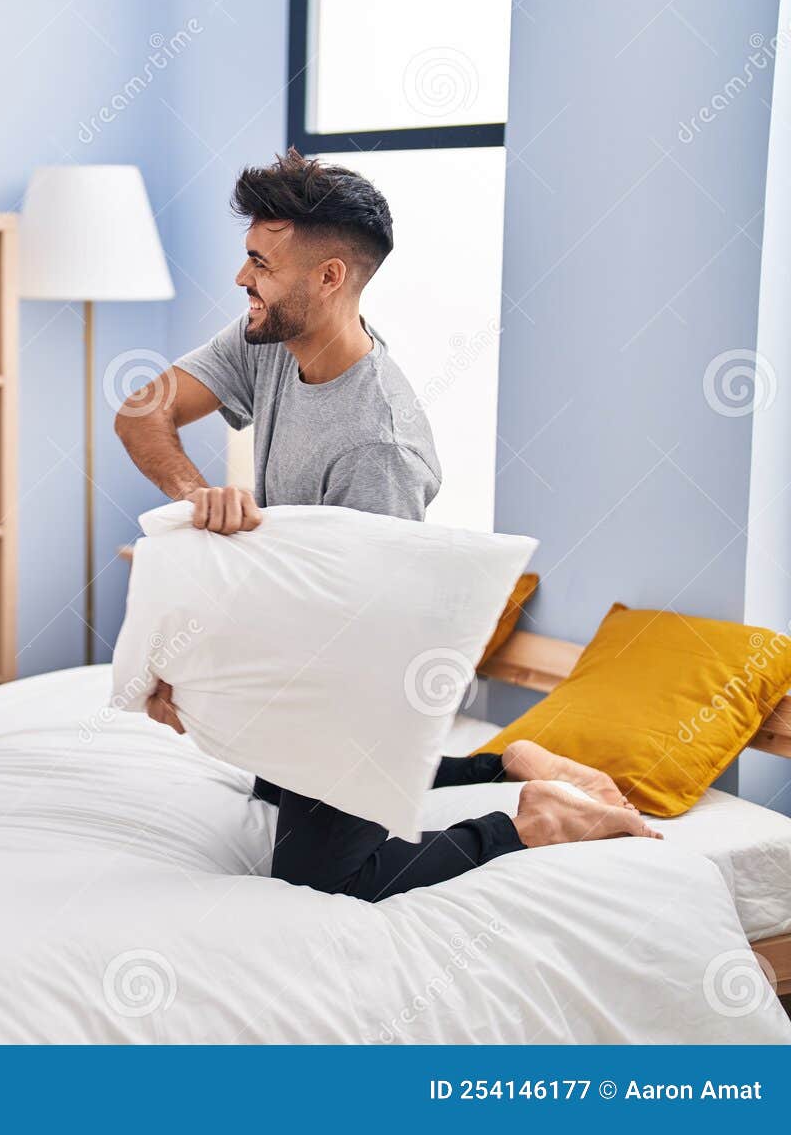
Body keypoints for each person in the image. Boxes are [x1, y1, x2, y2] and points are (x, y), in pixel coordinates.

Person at [114, 149, 658, 901]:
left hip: (363, 664)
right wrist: (196, 494)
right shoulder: (264, 341)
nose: (243, 280)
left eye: (260, 264)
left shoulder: (379, 447)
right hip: (315, 643)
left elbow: (354, 641)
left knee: (326, 876)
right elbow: (141, 410)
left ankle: (534, 819)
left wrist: (197, 654)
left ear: (330, 277)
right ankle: (507, 759)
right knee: (270, 782)